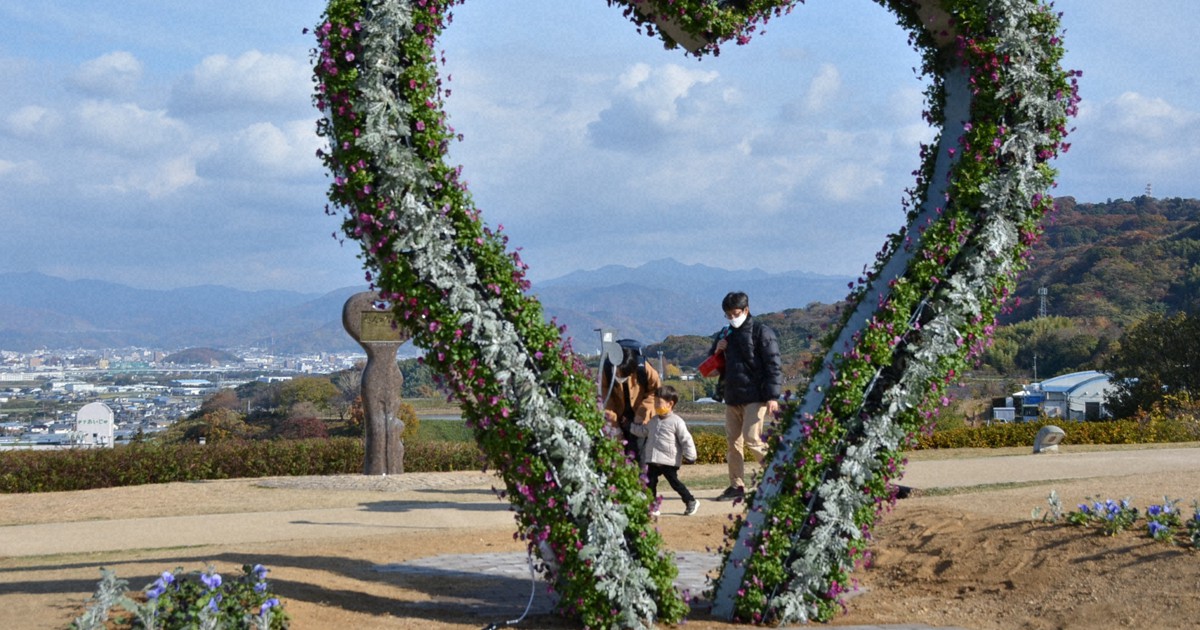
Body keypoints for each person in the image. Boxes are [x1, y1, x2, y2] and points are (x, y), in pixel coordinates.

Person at [706, 291, 782, 502]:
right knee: (733, 443)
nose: (732, 318)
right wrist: (717, 353)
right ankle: (736, 485)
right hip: (732, 396)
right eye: (728, 314)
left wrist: (772, 396)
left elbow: (773, 365)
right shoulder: (724, 335)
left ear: (746, 310)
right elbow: (709, 369)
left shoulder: (761, 332)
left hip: (755, 396)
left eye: (735, 313)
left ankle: (778, 477)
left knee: (753, 439)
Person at [630, 385, 698, 517]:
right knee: (650, 483)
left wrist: (691, 456)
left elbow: (686, 439)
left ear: (670, 403)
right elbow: (643, 432)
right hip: (653, 459)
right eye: (655, 402)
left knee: (675, 483)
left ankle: (690, 501)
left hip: (668, 461)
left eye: (659, 403)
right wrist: (629, 426)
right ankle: (653, 506)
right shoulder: (653, 421)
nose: (656, 405)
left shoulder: (677, 422)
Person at [600, 339, 662, 460]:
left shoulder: (643, 368)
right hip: (618, 416)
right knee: (617, 453)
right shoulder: (606, 369)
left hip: (640, 419)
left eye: (624, 374)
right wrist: (615, 428)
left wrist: (642, 413)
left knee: (639, 453)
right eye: (617, 373)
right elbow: (605, 401)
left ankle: (642, 477)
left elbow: (656, 391)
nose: (620, 376)